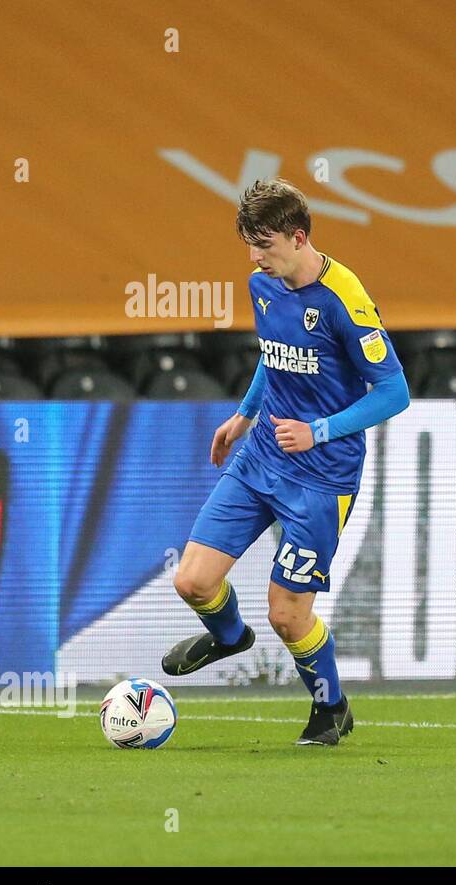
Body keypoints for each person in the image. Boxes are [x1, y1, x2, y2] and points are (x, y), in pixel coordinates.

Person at [163, 179, 410, 746]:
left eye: (265, 245)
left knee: (287, 615)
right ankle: (228, 637)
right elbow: (276, 358)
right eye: (250, 245)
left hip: (322, 479)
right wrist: (244, 416)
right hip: (261, 458)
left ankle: (332, 708)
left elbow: (394, 393)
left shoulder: (345, 299)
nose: (254, 258)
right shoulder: (263, 284)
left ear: (299, 238)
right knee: (193, 581)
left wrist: (319, 430)